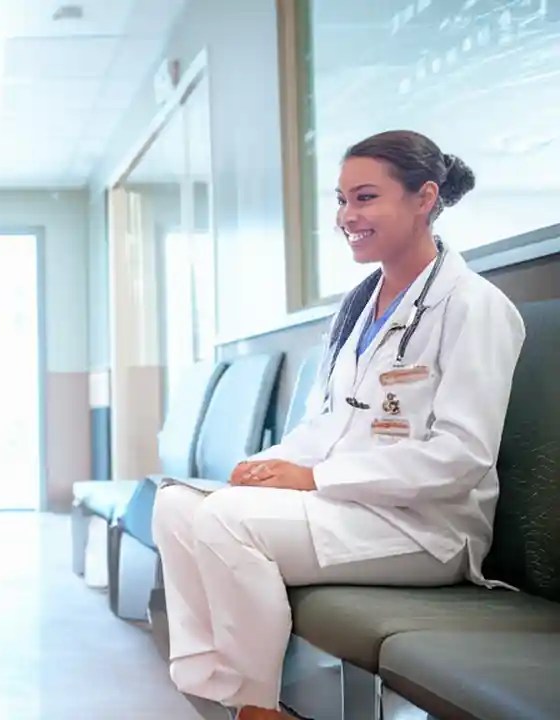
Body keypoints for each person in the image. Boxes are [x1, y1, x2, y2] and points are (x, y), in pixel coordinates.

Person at [150, 130, 526, 720]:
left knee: (225, 519)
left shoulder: (473, 305)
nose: (347, 216)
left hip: (426, 529)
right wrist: (273, 465)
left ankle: (257, 707)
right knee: (175, 504)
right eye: (342, 199)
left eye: (366, 198)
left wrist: (315, 478)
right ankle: (219, 689)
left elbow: (461, 458)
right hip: (352, 508)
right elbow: (326, 421)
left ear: (424, 198)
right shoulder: (359, 307)